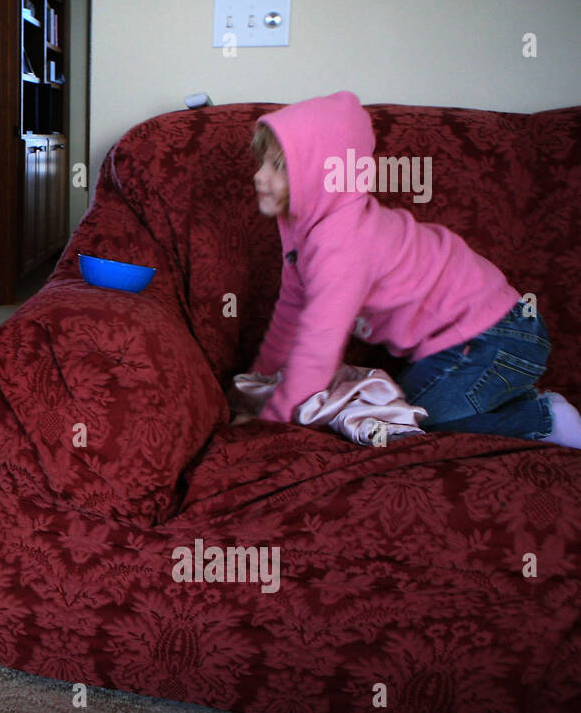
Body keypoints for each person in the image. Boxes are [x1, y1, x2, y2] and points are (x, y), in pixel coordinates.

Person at [243, 89, 581, 446]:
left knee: (410, 425)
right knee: (397, 407)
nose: (259, 177)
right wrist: (259, 381)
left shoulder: (342, 244)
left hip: (497, 335)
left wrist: (271, 421)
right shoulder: (301, 231)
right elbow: (291, 311)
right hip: (455, 344)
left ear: (324, 174)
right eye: (261, 162)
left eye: (278, 167)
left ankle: (543, 418)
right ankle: (515, 398)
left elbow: (318, 346)